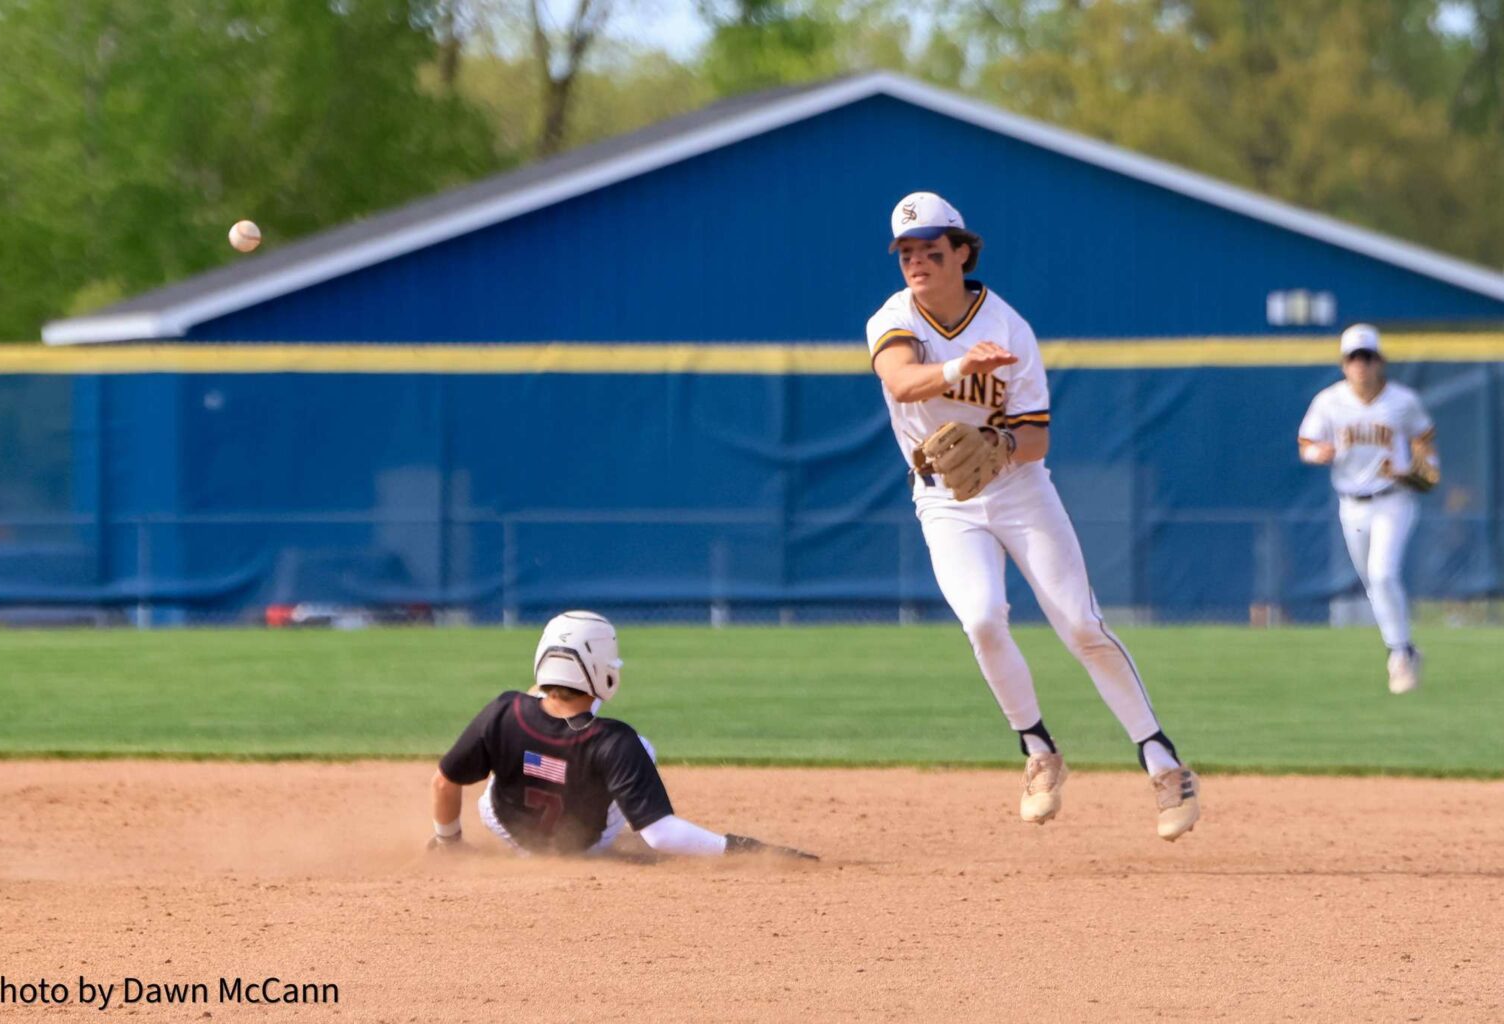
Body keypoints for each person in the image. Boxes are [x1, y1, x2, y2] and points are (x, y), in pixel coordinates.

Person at [866, 191, 1200, 841]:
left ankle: (1163, 761)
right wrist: (962, 366)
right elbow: (903, 382)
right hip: (941, 497)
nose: (917, 263)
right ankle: (1038, 749)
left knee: (1081, 623)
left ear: (963, 252)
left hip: (1019, 488)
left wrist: (1001, 446)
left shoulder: (1011, 329)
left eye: (932, 251)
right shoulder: (892, 316)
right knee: (983, 618)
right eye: (907, 253)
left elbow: (1037, 438)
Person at [428, 610, 815, 859]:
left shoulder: (503, 710)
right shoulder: (616, 741)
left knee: (515, 735)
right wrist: (740, 848)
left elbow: (444, 783)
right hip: (583, 849)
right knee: (637, 751)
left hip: (503, 829)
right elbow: (662, 837)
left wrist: (449, 844)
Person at [1298, 324, 1439, 694]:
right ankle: (1406, 647)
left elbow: (1427, 449)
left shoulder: (1402, 401)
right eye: (1353, 358)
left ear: (1380, 361)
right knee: (1374, 584)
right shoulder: (1329, 401)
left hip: (1394, 499)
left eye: (1367, 357)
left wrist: (1415, 470)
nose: (1360, 364)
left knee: (1383, 574)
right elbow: (1306, 443)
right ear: (1344, 364)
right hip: (1352, 505)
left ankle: (1399, 656)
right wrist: (1318, 453)